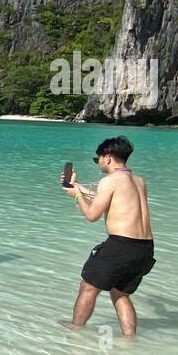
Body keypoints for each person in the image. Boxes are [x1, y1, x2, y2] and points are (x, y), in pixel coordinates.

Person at [64, 135, 155, 337]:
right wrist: (79, 188)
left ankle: (75, 332)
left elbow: (92, 215)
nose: (98, 165)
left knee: (88, 287)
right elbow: (113, 201)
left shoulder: (109, 181)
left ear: (107, 157)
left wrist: (77, 196)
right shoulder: (139, 181)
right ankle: (130, 339)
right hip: (145, 248)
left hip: (121, 245)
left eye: (98, 160)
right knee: (119, 293)